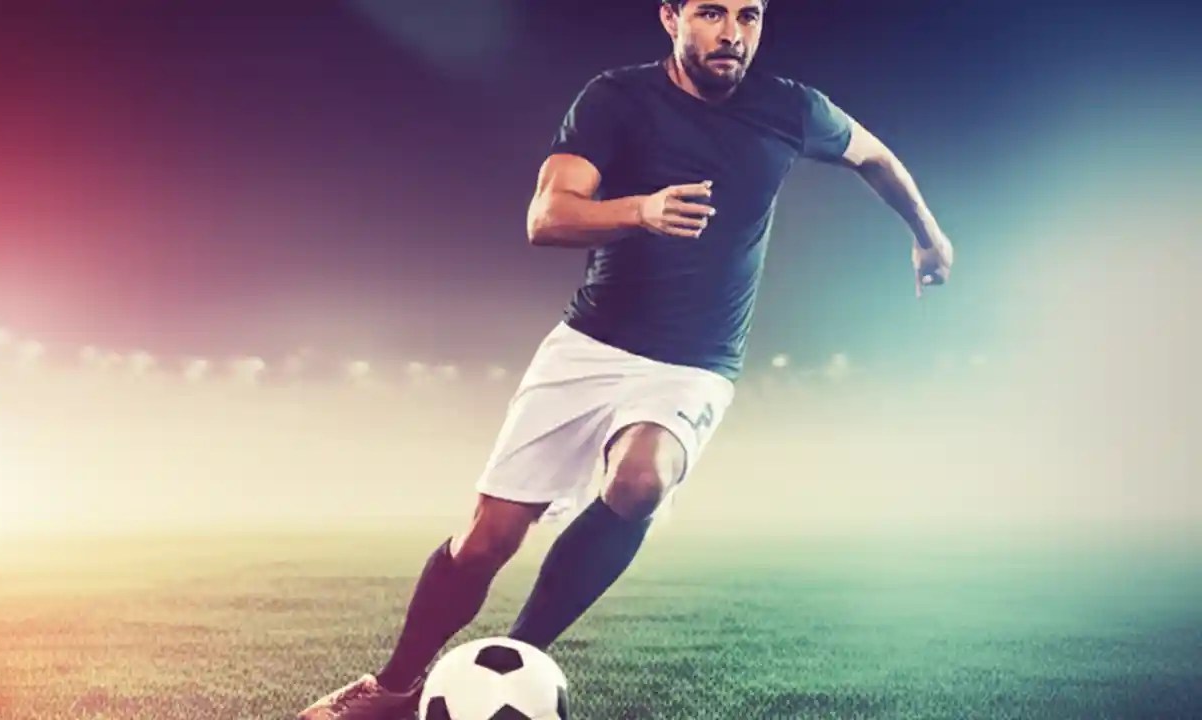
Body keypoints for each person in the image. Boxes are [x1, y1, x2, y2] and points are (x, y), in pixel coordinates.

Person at [298, 0, 953, 717]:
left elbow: (876, 157)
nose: (732, 33)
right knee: (488, 540)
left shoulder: (792, 109)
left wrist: (926, 235)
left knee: (642, 479)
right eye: (710, 12)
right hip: (589, 347)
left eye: (750, 15)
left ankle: (505, 671)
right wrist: (638, 211)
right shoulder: (616, 98)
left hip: (694, 363)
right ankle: (393, 687)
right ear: (670, 17)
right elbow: (546, 218)